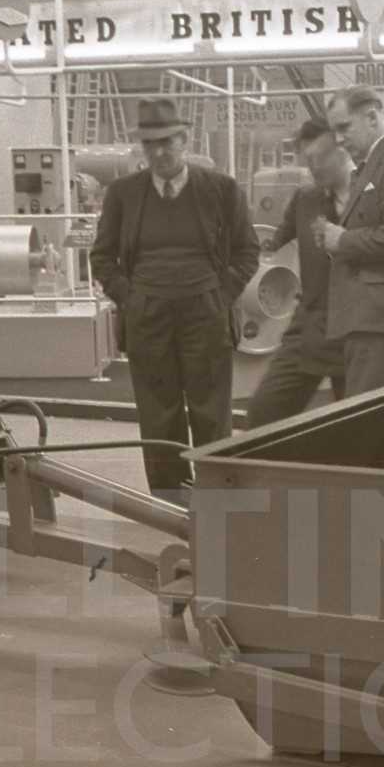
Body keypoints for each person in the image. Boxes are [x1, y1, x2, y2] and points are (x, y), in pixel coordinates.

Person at [89, 98, 259, 504]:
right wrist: (130, 298)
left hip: (206, 312)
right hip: (148, 316)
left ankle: (218, 495)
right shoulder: (123, 194)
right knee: (157, 413)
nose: (159, 152)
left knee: (210, 410)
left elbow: (247, 251)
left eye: (167, 142)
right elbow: (102, 256)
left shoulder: (221, 190)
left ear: (185, 140)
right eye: (150, 145)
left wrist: (220, 296)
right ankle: (169, 501)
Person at [315, 85, 384, 395]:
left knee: (371, 427)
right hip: (372, 320)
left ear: (371, 116)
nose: (339, 140)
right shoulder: (372, 167)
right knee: (381, 426)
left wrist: (342, 241)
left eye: (344, 128)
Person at [245, 118, 356, 429]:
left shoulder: (370, 196)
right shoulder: (306, 199)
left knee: (360, 432)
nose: (312, 168)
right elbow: (274, 239)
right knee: (263, 416)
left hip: (358, 333)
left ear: (342, 150)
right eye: (307, 160)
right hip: (310, 327)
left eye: (319, 158)